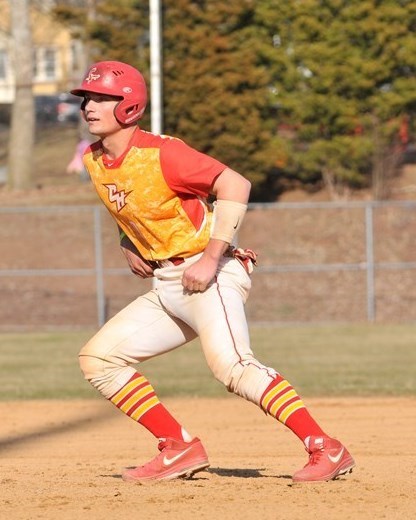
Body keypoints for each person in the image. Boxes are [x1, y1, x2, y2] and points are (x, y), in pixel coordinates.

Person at [71, 61, 354, 483]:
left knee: (234, 368)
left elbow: (236, 185)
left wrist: (210, 257)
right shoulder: (95, 159)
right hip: (168, 283)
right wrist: (127, 242)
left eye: (102, 98)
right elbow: (126, 202)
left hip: (212, 274)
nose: (90, 106)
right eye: (87, 98)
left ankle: (326, 448)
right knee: (100, 359)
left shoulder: (163, 152)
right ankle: (178, 447)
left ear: (128, 106)